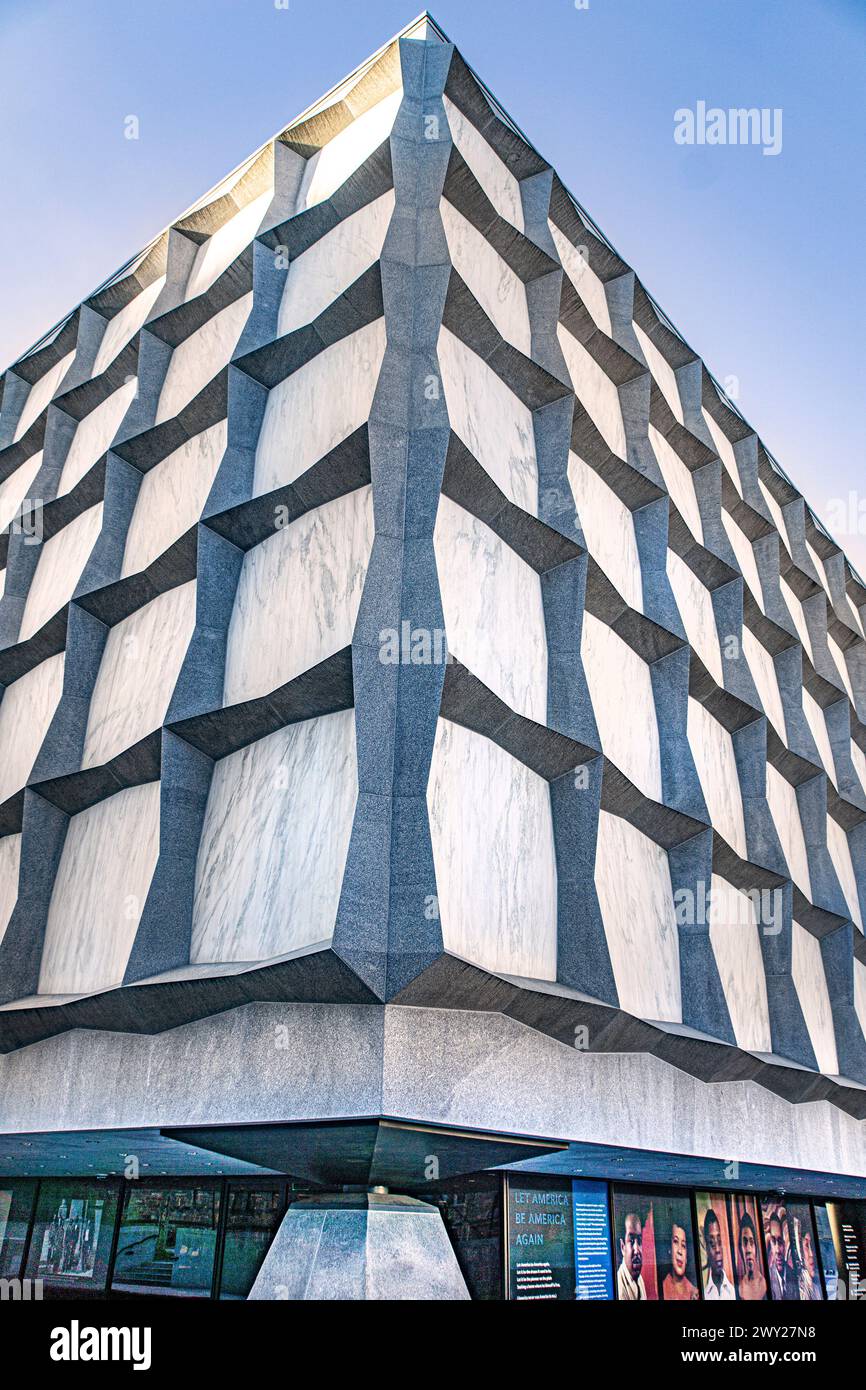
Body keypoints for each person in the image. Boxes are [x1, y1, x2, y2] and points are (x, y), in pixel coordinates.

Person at [662, 1220, 699, 1301]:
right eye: (675, 1242)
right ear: (669, 1250)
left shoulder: (696, 1293)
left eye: (683, 1245)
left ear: (686, 1258)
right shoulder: (660, 1289)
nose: (680, 1251)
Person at [703, 1208, 735, 1299]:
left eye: (720, 1242)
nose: (717, 1249)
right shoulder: (704, 1295)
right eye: (712, 1244)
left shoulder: (733, 1292)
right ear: (706, 1249)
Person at [736, 1211, 766, 1301]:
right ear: (740, 1250)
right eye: (744, 1243)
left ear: (756, 1248)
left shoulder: (765, 1283)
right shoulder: (740, 1288)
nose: (748, 1250)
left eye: (751, 1242)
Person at [617, 1211, 647, 1300]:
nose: (637, 1250)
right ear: (623, 1247)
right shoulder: (619, 1286)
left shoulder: (639, 1279)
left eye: (639, 1240)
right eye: (632, 1241)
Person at [765, 1211, 795, 1300]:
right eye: (773, 1241)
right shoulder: (766, 1280)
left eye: (780, 1242)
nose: (778, 1250)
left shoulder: (794, 1276)